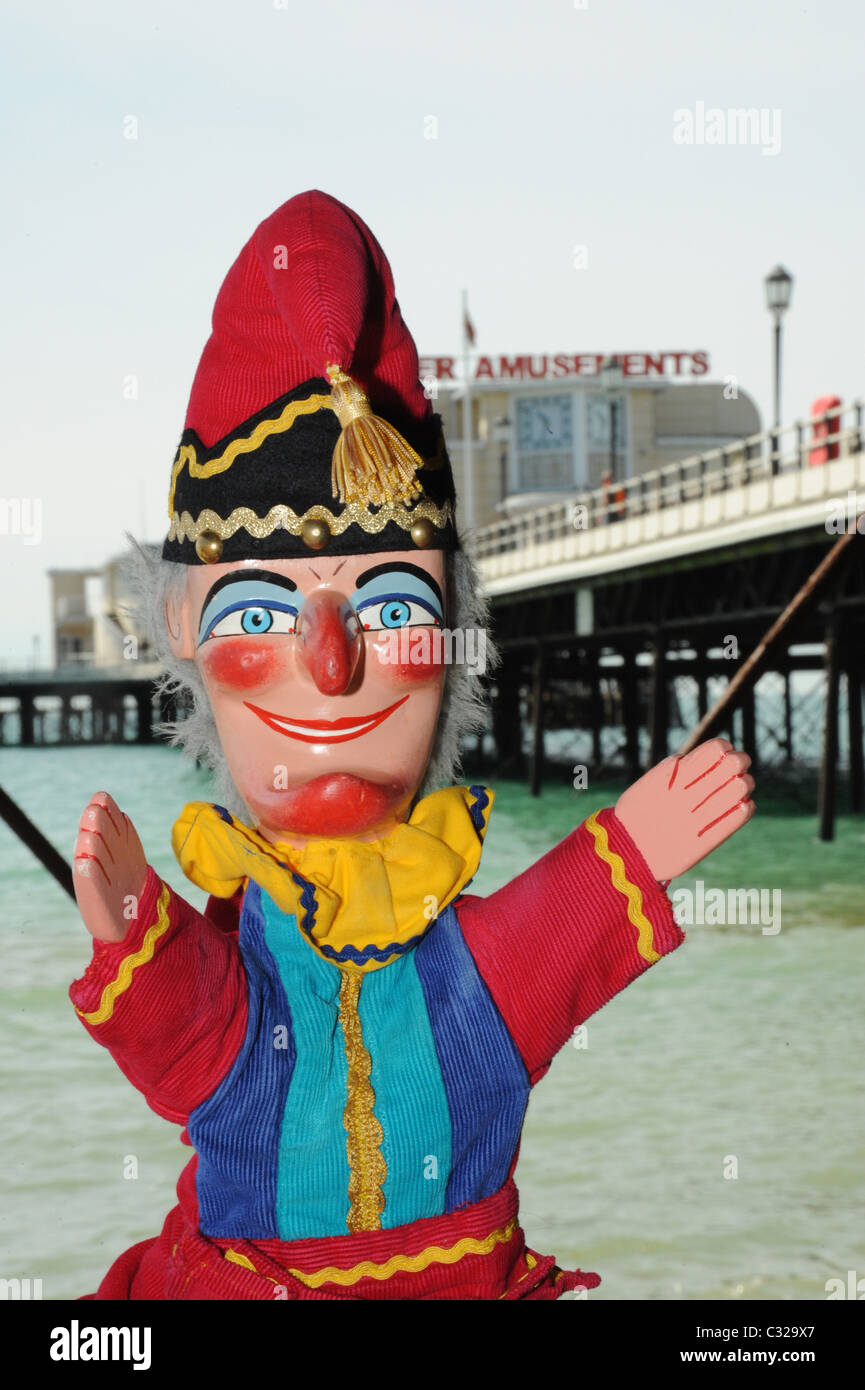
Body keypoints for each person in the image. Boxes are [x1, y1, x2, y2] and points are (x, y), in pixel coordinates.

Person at [70, 190, 755, 1300]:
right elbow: (201, 1044)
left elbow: (541, 944)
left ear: (454, 637)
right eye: (261, 615)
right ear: (184, 627)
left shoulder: (464, 983)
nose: (330, 662)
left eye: (391, 607)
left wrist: (632, 845)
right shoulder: (263, 967)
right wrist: (136, 930)